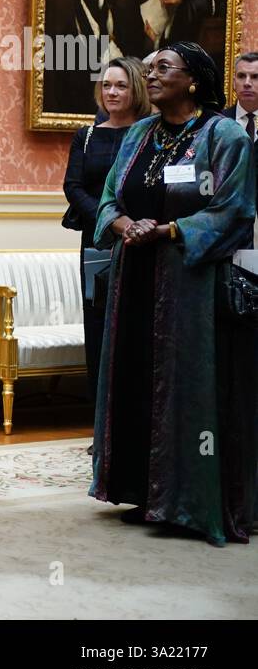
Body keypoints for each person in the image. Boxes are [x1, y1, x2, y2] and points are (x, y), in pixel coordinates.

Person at [90, 41, 257, 545]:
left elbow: (232, 211)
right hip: (133, 280)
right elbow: (107, 198)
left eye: (164, 68)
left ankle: (187, 501)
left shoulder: (222, 135)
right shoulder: (139, 133)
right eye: (151, 66)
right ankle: (147, 493)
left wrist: (168, 231)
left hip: (191, 287)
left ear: (194, 81)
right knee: (136, 380)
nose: (151, 74)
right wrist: (123, 225)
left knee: (185, 387)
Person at [63, 57, 152, 396]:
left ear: (136, 90)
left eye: (121, 85)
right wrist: (110, 221)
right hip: (97, 242)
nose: (112, 92)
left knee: (136, 327)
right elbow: (73, 187)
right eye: (106, 85)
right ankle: (100, 430)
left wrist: (130, 226)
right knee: (98, 327)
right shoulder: (85, 136)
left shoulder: (149, 133)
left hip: (141, 239)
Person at [221, 51, 258, 232]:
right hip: (225, 220)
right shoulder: (217, 123)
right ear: (233, 81)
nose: (247, 83)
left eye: (255, 77)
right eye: (241, 76)